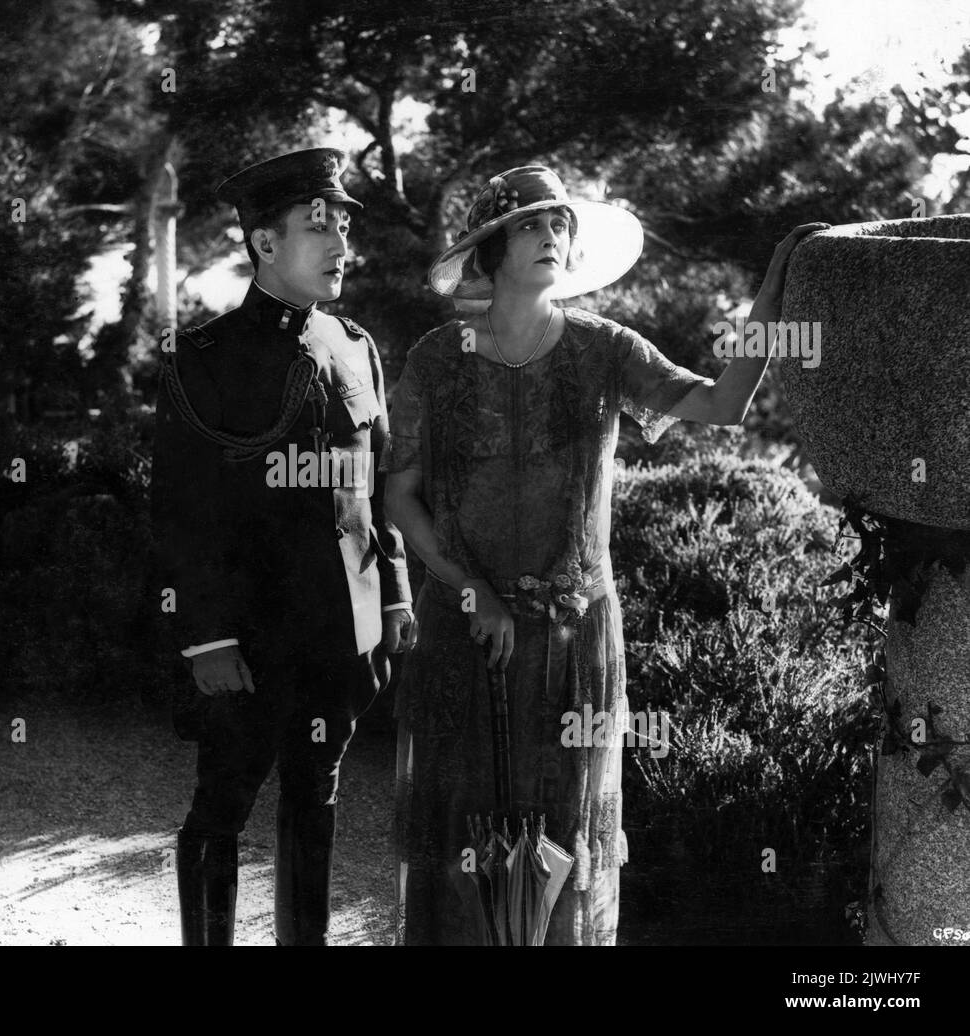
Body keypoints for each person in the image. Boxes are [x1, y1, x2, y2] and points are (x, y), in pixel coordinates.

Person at [383, 164, 827, 945]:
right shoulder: (437, 356)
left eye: (560, 225)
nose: (552, 235)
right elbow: (399, 496)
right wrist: (470, 590)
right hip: (463, 629)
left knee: (562, 840)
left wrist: (777, 287)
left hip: (572, 638)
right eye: (531, 224)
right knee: (462, 839)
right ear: (489, 251)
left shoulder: (606, 348)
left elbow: (722, 405)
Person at [151, 147, 415, 946]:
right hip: (250, 638)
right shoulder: (203, 360)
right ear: (265, 244)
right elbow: (182, 512)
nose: (341, 245)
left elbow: (378, 486)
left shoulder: (354, 347)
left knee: (316, 799)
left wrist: (395, 594)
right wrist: (209, 636)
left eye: (343, 226)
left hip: (339, 630)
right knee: (221, 807)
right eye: (318, 227)